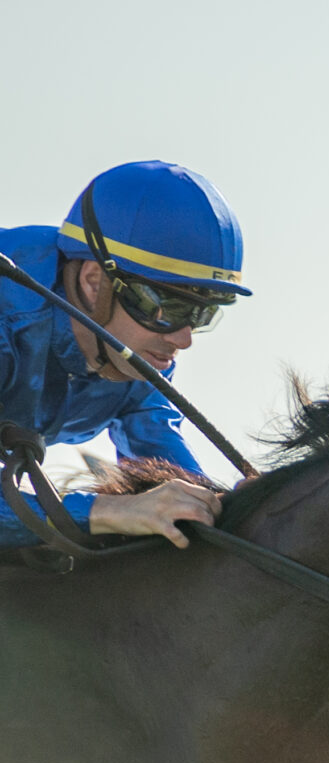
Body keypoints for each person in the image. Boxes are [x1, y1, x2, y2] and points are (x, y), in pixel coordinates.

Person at [0, 160, 247, 551]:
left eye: (202, 314)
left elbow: (175, 493)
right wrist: (108, 511)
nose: (184, 340)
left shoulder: (134, 365)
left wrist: (246, 510)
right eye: (169, 308)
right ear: (95, 283)